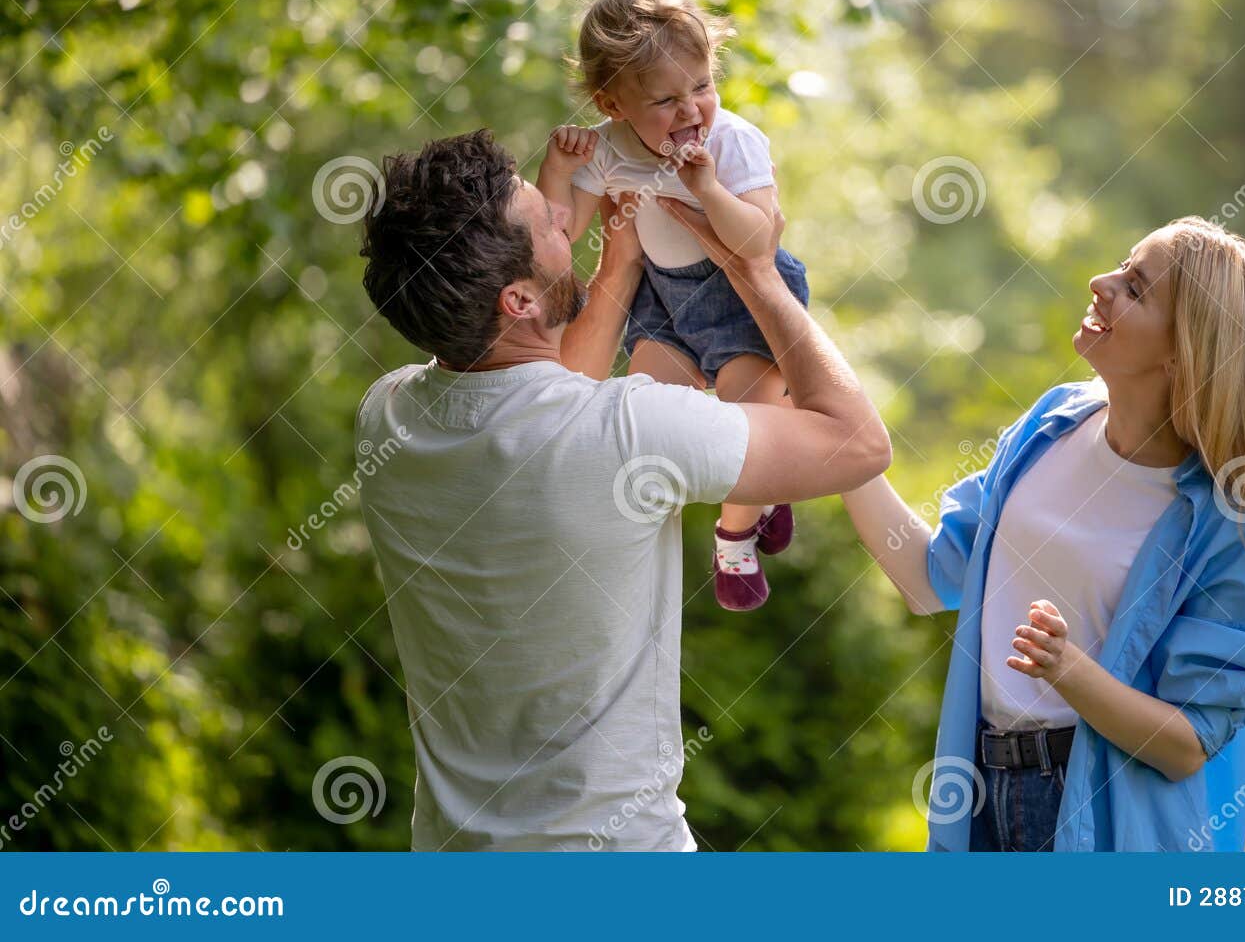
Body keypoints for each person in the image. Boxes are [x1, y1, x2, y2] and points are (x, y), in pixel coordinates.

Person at [354, 129, 889, 850]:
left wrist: (620, 262)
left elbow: (538, 398)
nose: (562, 217)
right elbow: (858, 445)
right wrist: (756, 272)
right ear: (516, 298)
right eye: (547, 222)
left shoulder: (387, 418)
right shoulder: (630, 431)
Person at [841, 217, 1245, 851]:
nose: (1101, 282)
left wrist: (1069, 671)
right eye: (1122, 265)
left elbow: (1186, 745)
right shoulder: (1051, 426)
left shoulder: (1234, 524)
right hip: (983, 793)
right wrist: (838, 445)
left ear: (1186, 352)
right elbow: (930, 576)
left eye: (1136, 288)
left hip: (1102, 822)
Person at [538, 0, 807, 612]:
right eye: (666, 99)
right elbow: (558, 237)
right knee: (652, 418)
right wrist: (556, 170)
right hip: (662, 299)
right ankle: (763, 488)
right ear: (612, 103)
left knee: (754, 421)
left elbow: (759, 243)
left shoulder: (730, 142)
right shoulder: (607, 150)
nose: (692, 111)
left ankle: (735, 536)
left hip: (741, 293)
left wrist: (709, 189)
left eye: (702, 87)